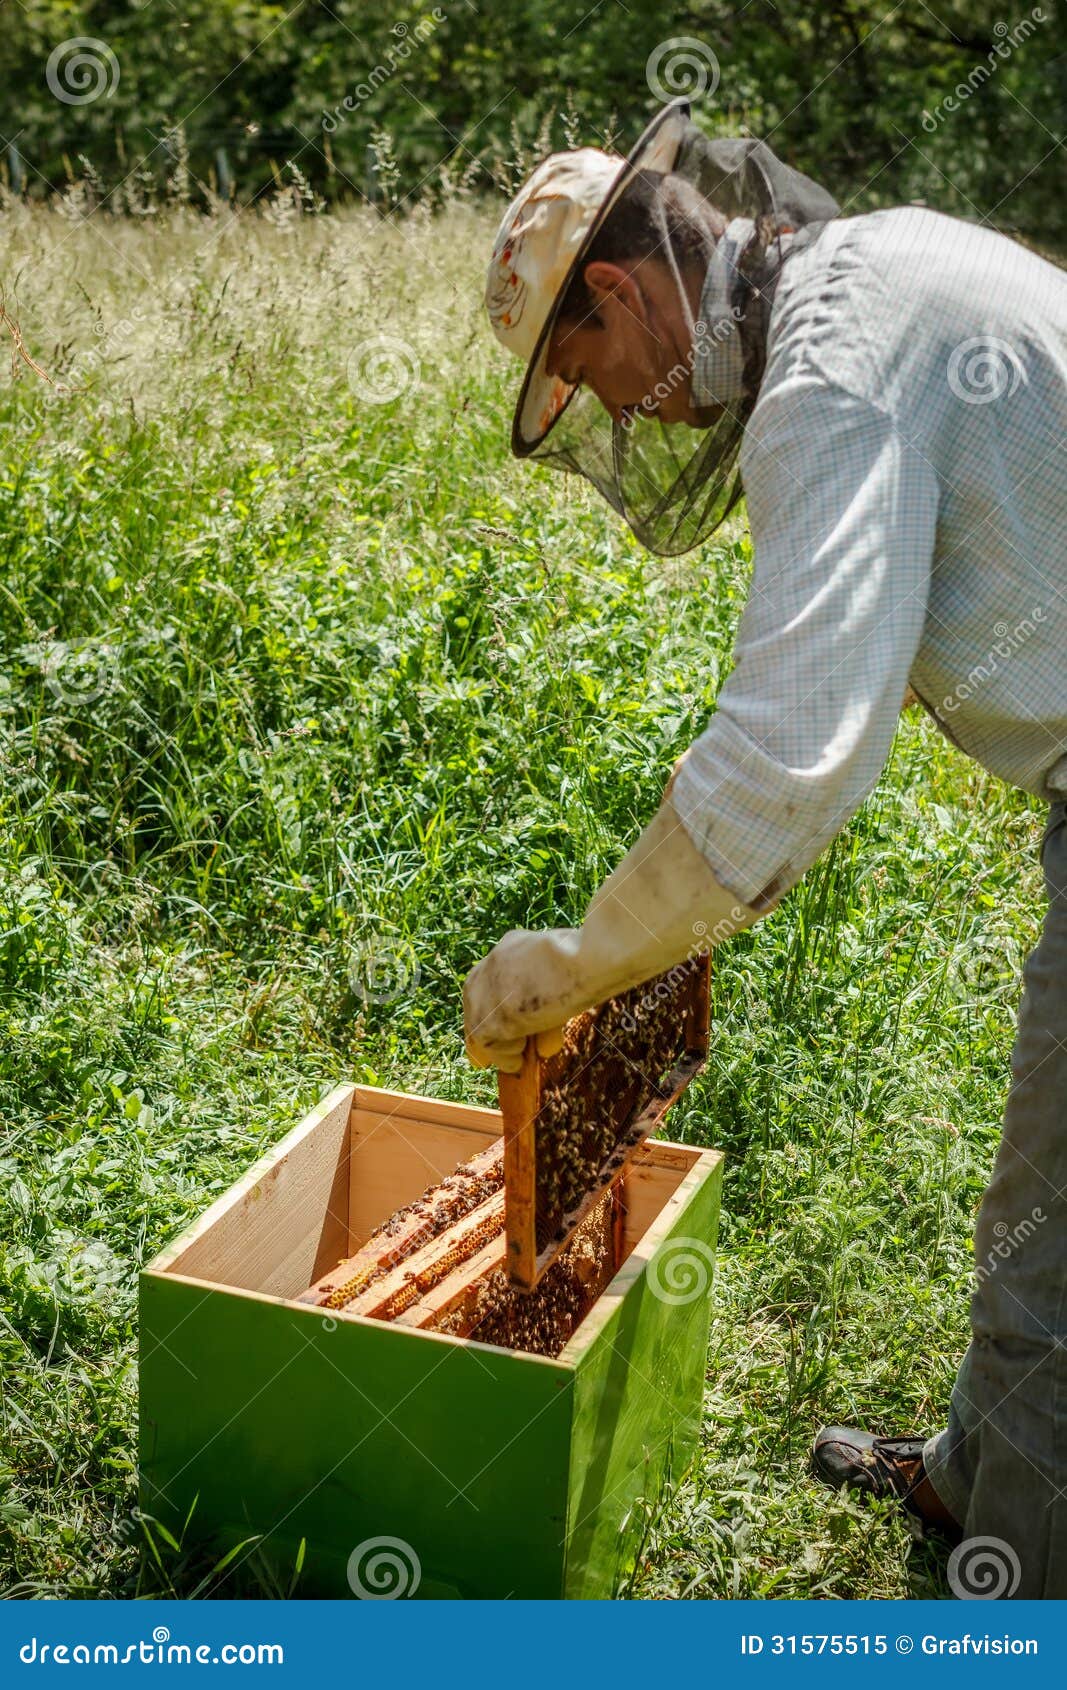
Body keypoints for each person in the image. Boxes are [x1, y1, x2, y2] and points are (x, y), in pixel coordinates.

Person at [462, 98, 1067, 1595]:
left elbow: (787, 763)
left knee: (1057, 1246)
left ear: (619, 290)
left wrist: (578, 960)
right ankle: (971, 1479)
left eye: (593, 377)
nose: (622, 418)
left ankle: (1019, 1595)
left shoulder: (836, 373)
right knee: (1034, 1201)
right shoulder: (869, 274)